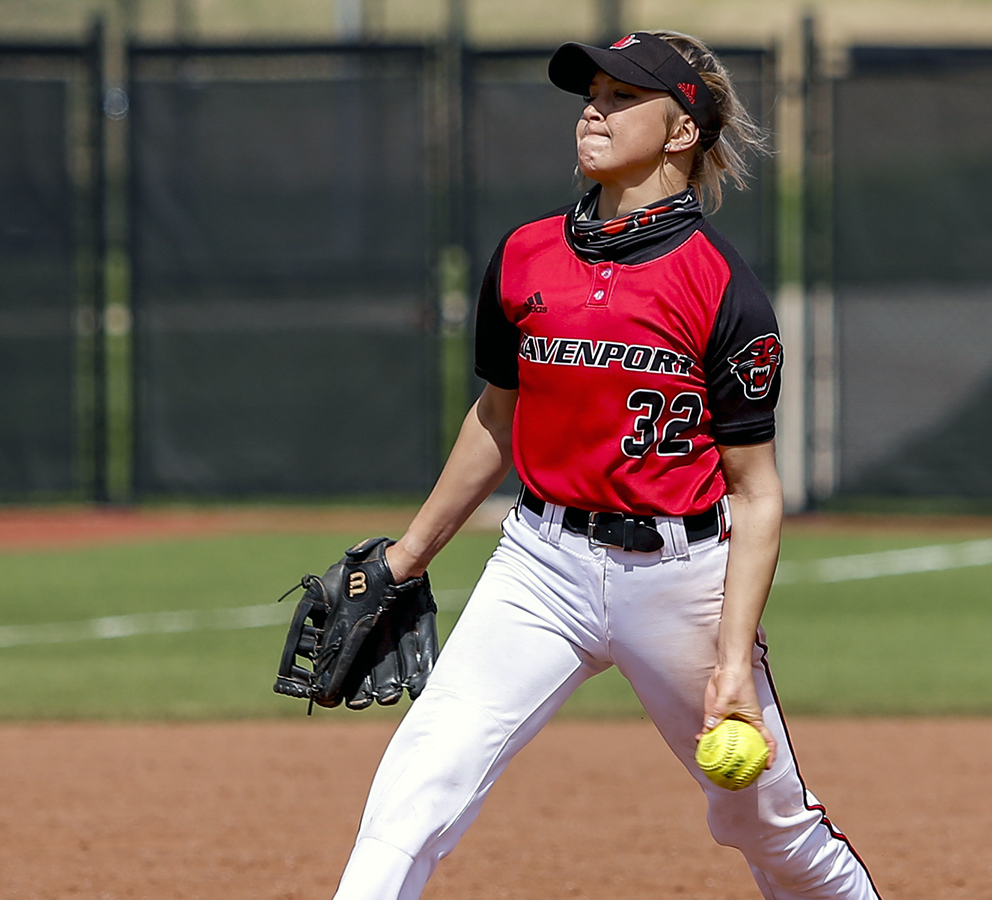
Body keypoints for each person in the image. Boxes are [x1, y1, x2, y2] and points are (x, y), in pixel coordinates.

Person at [332, 31, 880, 900]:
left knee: (766, 823)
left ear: (681, 130)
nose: (595, 110)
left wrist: (732, 659)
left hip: (680, 577)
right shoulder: (525, 253)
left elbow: (756, 495)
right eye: (592, 94)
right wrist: (406, 558)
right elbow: (496, 418)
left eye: (624, 97)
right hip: (540, 565)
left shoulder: (721, 286)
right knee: (419, 783)